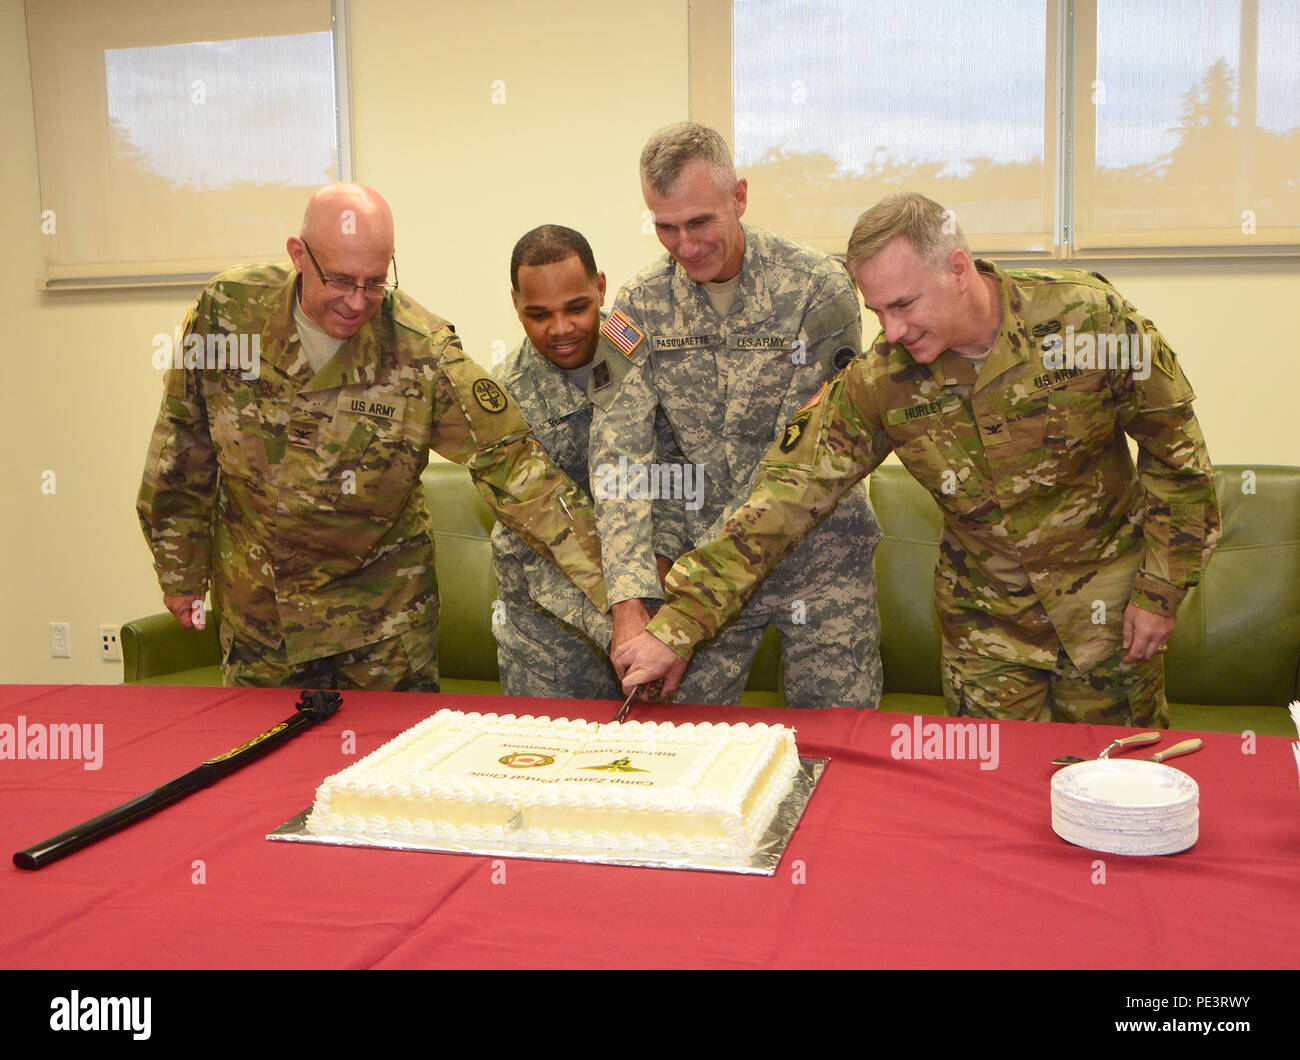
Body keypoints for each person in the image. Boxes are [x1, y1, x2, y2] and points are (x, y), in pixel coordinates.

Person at [616, 192, 1220, 727]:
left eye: (904, 305)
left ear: (958, 269)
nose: (893, 330)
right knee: (989, 810)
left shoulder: (1089, 320)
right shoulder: (884, 380)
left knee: (1120, 802)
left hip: (1110, 622)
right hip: (987, 637)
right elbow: (785, 496)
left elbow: (1178, 456)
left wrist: (1161, 590)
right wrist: (678, 625)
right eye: (878, 311)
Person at [137, 183, 606, 690]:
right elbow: (184, 441)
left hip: (383, 634)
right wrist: (180, 570)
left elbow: (517, 470)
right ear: (299, 255)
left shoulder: (420, 349)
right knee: (268, 766)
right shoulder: (227, 313)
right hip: (261, 623)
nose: (357, 301)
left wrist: (620, 588)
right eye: (340, 280)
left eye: (375, 282)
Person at [588, 122, 883, 709]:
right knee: (681, 750)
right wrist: (629, 599)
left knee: (838, 749)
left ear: (739, 198)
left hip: (817, 563)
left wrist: (689, 609)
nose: (685, 244)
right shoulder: (637, 304)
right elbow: (618, 454)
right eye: (664, 226)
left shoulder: (817, 291)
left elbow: (804, 466)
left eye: (700, 222)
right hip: (701, 566)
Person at [492, 224, 685, 698]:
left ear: (600, 286)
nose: (560, 328)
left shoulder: (644, 358)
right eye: (538, 314)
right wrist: (623, 617)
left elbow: (677, 478)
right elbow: (542, 537)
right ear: (515, 303)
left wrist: (652, 590)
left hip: (659, 615)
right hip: (550, 646)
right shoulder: (502, 401)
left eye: (576, 307)